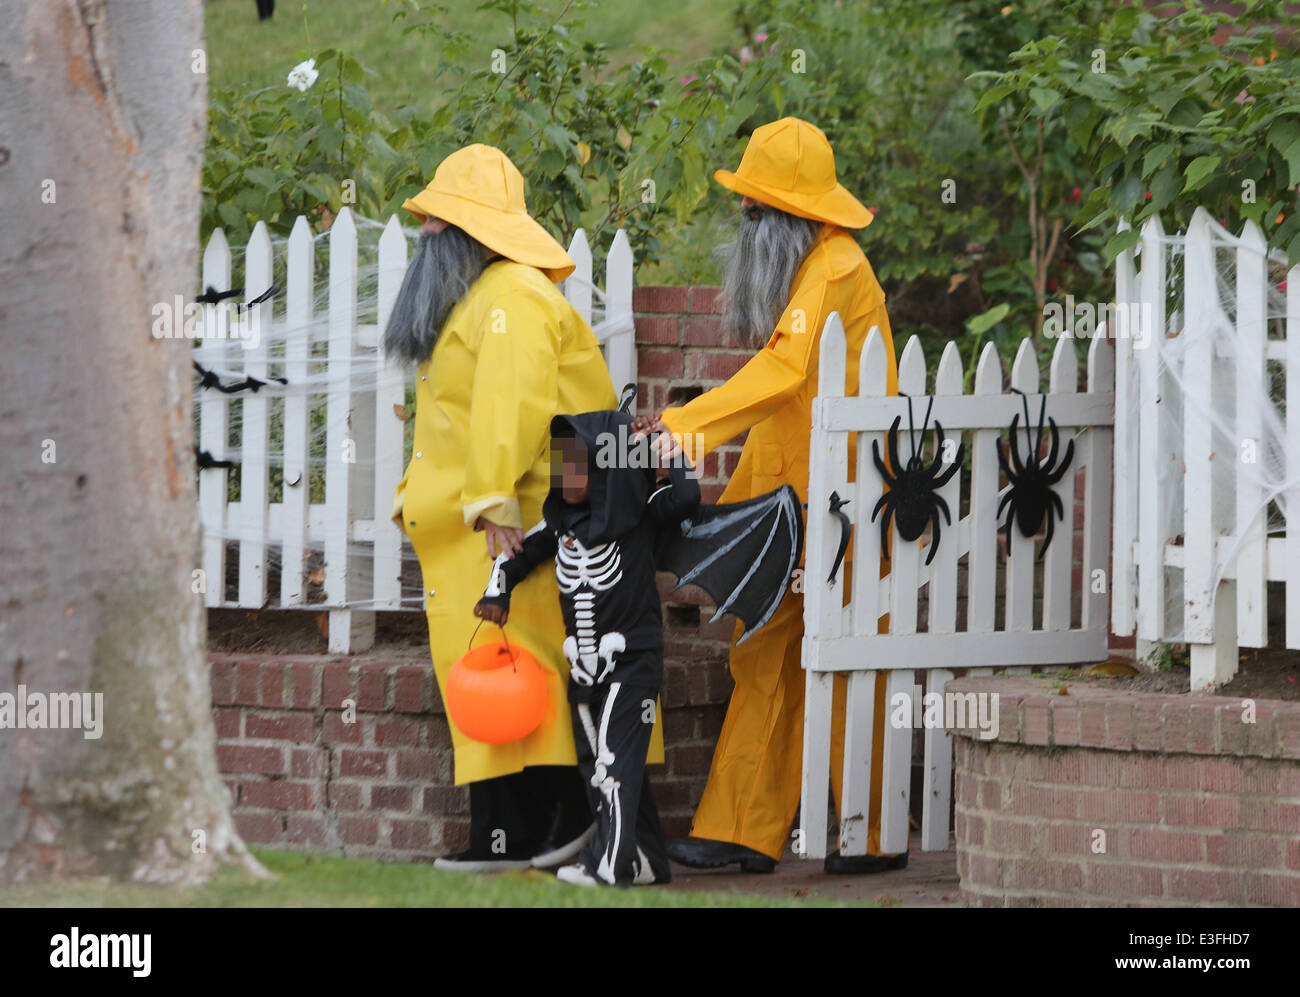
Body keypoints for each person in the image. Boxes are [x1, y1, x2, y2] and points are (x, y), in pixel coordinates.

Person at [385, 143, 664, 872]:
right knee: (501, 672)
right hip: (494, 525)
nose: (425, 233)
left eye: (439, 221)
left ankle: (556, 821)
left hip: (523, 524)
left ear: (472, 230)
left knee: (525, 671)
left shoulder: (512, 296)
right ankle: (508, 830)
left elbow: (511, 407)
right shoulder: (494, 295)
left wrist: (491, 501)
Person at [637, 117, 905, 874]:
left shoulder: (837, 267)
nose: (744, 218)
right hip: (793, 496)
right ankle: (742, 829)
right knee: (761, 654)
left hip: (846, 501)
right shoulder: (812, 266)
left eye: (753, 206)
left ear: (788, 212)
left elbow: (785, 372)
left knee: (852, 659)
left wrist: (687, 425)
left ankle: (872, 835)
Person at [473, 411, 700, 886]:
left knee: (614, 763)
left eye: (578, 462)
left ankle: (611, 866)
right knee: (595, 765)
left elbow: (686, 497)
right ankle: (647, 858)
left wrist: (669, 447)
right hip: (583, 669)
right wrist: (497, 594)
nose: (566, 474)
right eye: (561, 464)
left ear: (605, 465)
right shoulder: (560, 529)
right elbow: (512, 561)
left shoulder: (637, 516)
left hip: (631, 660)